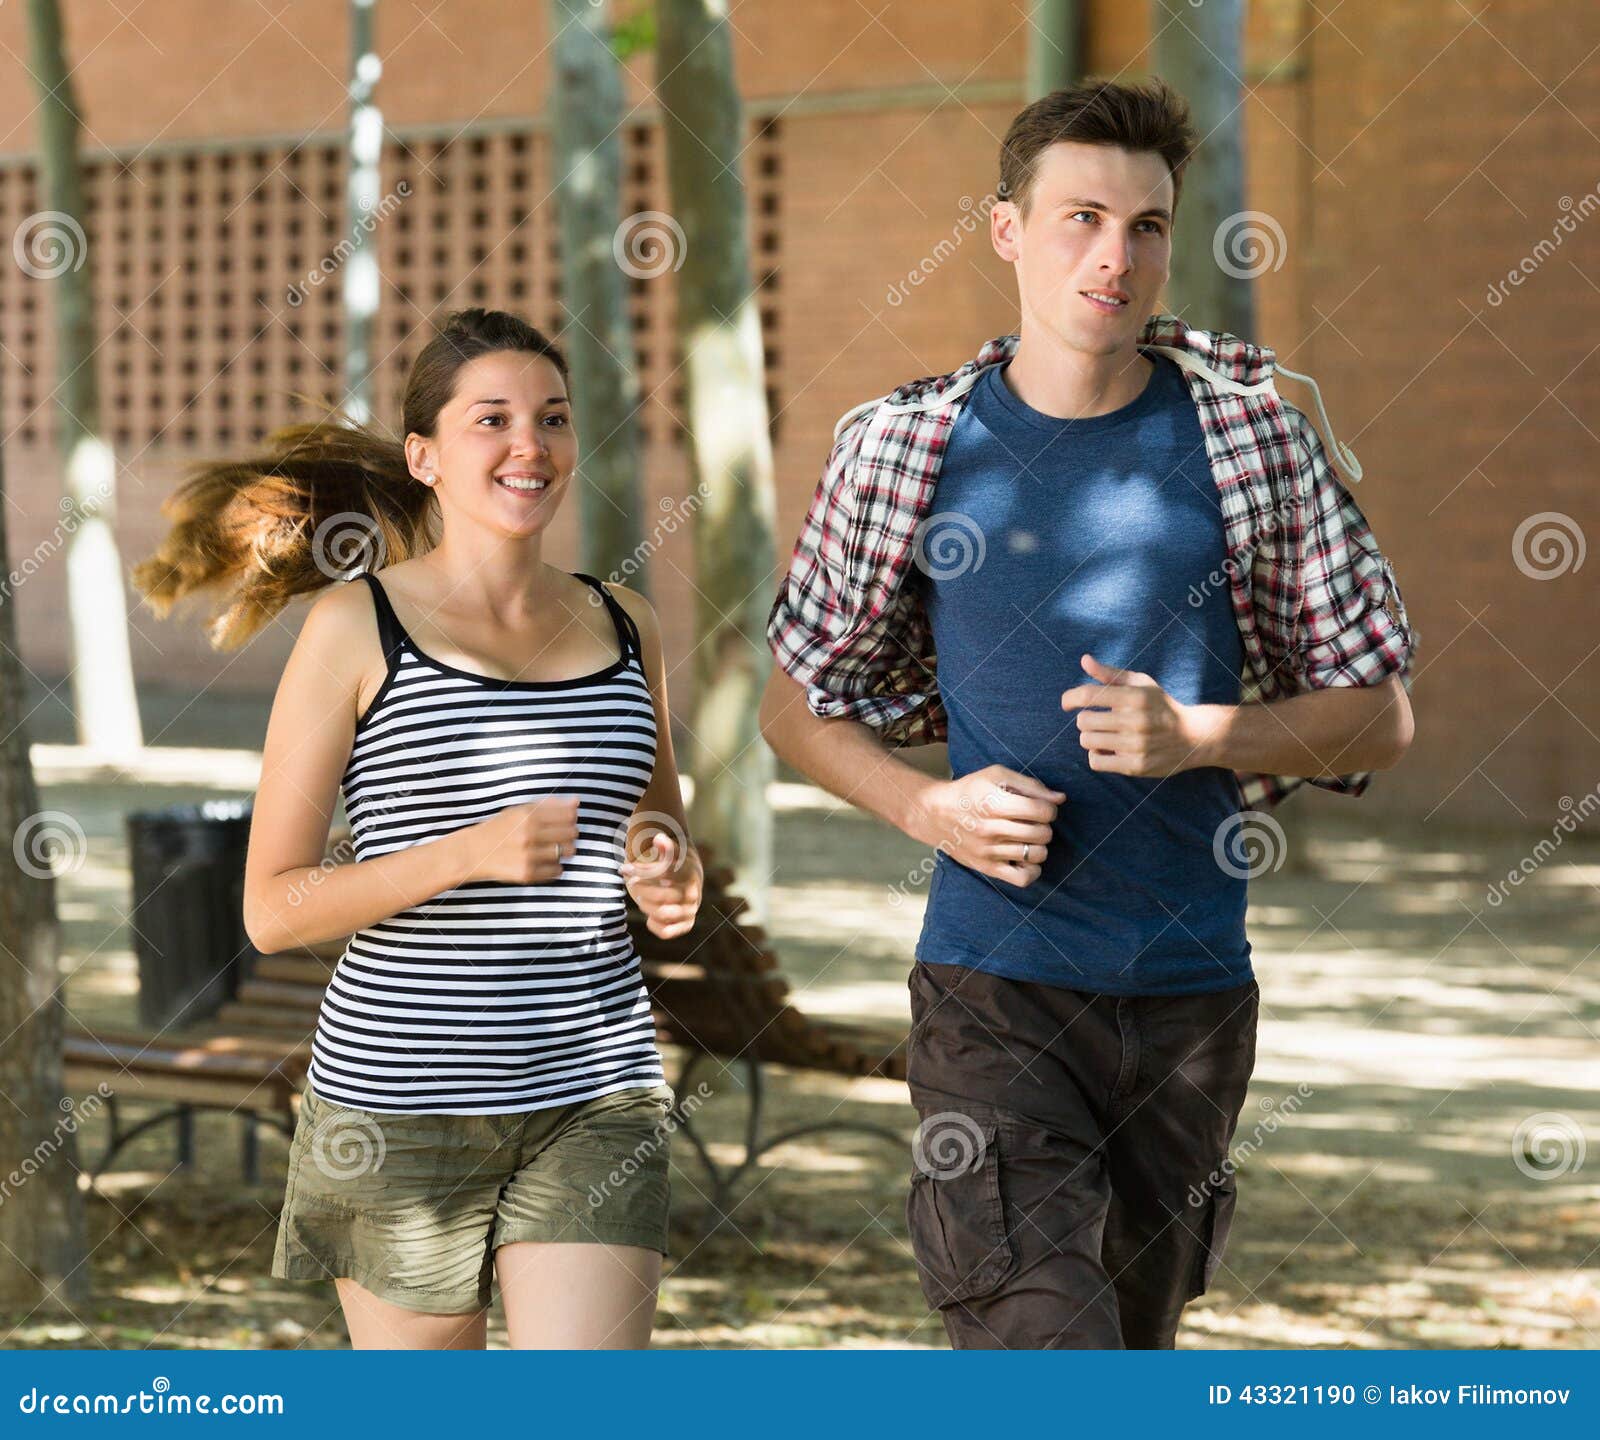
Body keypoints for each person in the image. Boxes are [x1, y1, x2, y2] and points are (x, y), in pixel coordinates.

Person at [760, 79, 1416, 1349]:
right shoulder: (902, 448)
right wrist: (925, 804)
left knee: (1131, 1350)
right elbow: (797, 708)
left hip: (1188, 993)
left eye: (1147, 226)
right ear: (1005, 230)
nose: (1114, 257)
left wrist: (1201, 737)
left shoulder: (1251, 440)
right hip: (990, 987)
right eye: (1078, 218)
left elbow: (1379, 716)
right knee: (1043, 1343)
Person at [135, 307, 703, 1350]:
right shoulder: (359, 628)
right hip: (399, 1112)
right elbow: (269, 908)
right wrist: (464, 856)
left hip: (596, 1091)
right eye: (492, 419)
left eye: (553, 417)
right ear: (425, 456)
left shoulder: (627, 622)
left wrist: (666, 865)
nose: (530, 444)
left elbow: (656, 818)